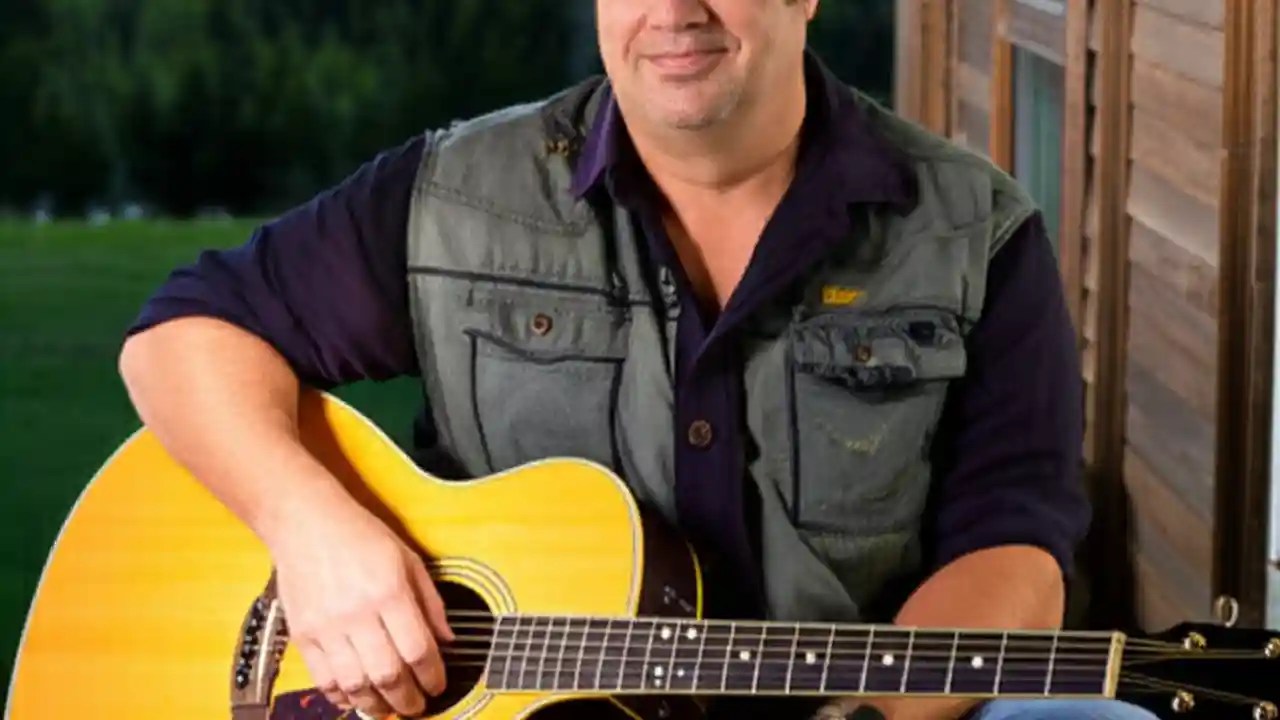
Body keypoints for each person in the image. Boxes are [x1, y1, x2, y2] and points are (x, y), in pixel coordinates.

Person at [118, 2, 1157, 719]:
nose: (675, 12)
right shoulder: (457, 198)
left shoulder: (972, 234)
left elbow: (1012, 549)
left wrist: (873, 716)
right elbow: (182, 338)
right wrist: (309, 531)